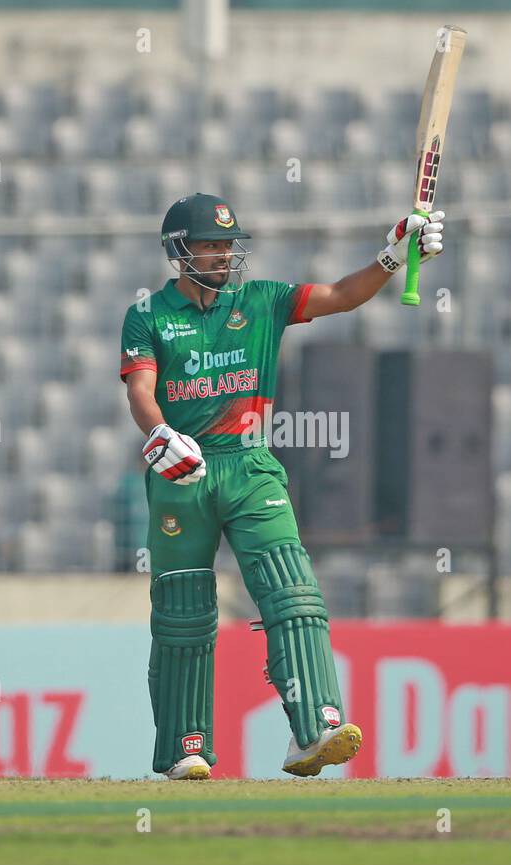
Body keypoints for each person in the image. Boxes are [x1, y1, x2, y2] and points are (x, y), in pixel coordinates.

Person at [119, 193, 444, 779]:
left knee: (292, 592)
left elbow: (343, 295)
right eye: (211, 244)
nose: (223, 254)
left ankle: (315, 728)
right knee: (182, 616)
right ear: (178, 251)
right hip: (181, 470)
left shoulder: (263, 301)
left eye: (228, 244)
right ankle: (184, 749)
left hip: (250, 467)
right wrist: (161, 433)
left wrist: (393, 257)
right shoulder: (147, 314)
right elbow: (141, 389)